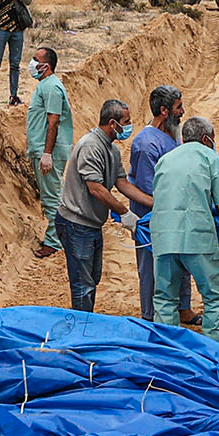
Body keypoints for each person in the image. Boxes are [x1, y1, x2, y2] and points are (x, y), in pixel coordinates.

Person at [145, 115, 219, 342]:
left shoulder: (165, 160)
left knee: (165, 298)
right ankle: (215, 349)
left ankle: (168, 349)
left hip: (163, 237)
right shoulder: (210, 158)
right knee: (213, 296)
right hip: (196, 237)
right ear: (206, 139)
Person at [127, 86, 196, 329]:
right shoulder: (146, 144)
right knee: (152, 267)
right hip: (150, 216)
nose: (183, 112)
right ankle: (150, 315)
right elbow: (149, 187)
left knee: (181, 260)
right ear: (164, 111)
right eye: (178, 107)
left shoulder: (173, 133)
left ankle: (183, 309)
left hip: (174, 210)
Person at [56, 98, 134, 311]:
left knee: (92, 278)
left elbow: (122, 183)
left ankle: (86, 322)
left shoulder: (112, 149)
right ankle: (83, 332)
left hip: (92, 225)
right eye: (126, 122)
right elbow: (96, 189)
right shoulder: (91, 146)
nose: (128, 127)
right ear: (112, 123)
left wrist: (152, 202)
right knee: (83, 285)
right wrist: (124, 212)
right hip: (76, 224)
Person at [26, 46, 75, 257]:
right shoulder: (47, 85)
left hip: (49, 152)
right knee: (54, 194)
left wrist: (47, 154)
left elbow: (53, 122)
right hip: (44, 149)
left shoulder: (52, 88)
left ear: (46, 65)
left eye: (36, 59)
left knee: (52, 198)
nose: (32, 63)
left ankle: (54, 241)